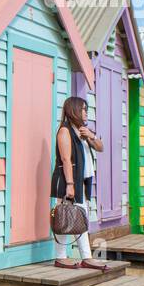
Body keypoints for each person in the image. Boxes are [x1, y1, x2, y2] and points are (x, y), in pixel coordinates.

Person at [50, 96, 107, 270]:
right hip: (68, 181)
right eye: (83, 109)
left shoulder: (81, 131)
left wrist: (92, 135)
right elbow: (66, 160)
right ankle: (61, 257)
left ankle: (86, 257)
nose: (86, 112)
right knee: (63, 217)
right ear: (74, 110)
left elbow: (100, 147)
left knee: (79, 218)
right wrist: (69, 184)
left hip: (81, 181)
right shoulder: (65, 131)